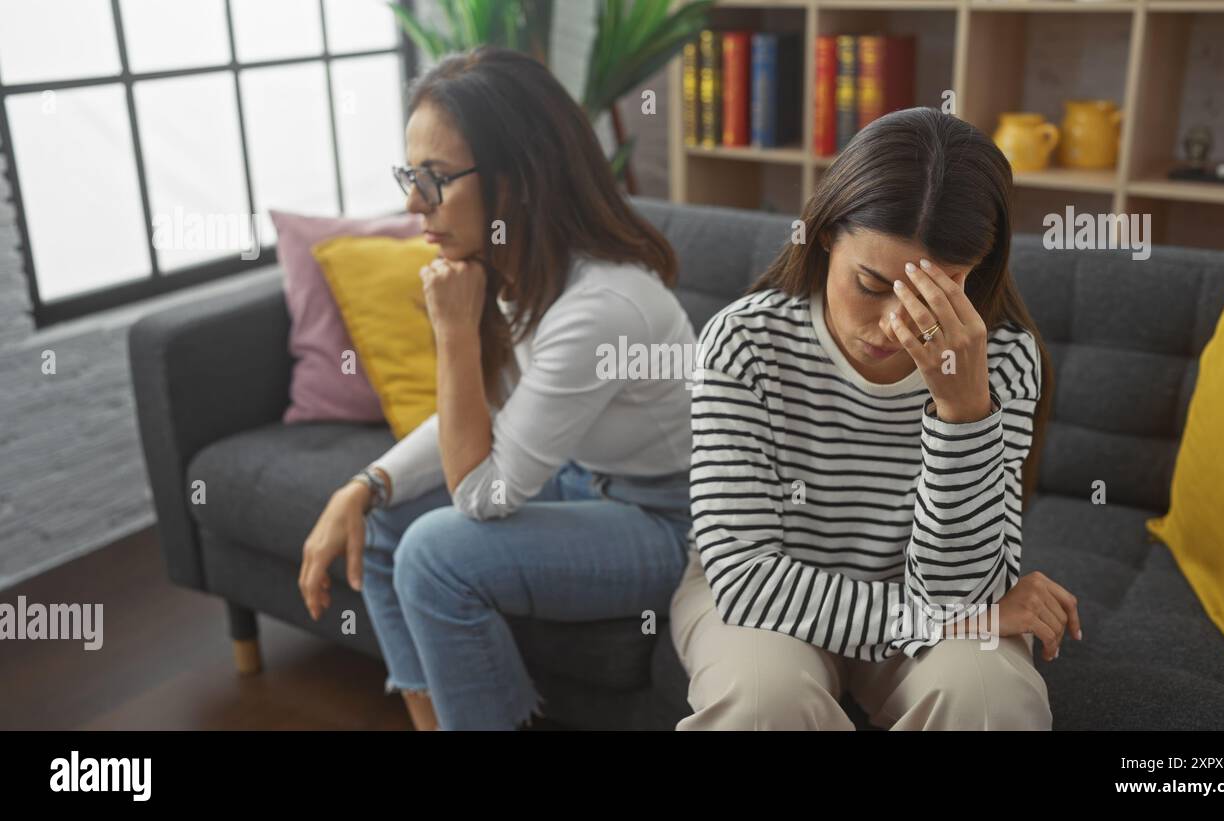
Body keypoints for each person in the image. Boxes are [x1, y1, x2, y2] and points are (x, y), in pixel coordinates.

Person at [296, 47, 695, 730]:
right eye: (410, 174)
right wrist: (364, 483)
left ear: (521, 180)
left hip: (671, 523)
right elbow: (497, 418)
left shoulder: (599, 305)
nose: (411, 202)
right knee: (387, 519)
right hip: (587, 478)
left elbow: (479, 494)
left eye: (436, 178)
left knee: (434, 551)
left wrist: (453, 336)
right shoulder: (517, 267)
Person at [672, 107, 1082, 730]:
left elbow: (962, 591)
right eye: (871, 283)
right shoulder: (743, 341)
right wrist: (944, 618)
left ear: (978, 272)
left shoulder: (1003, 361)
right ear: (828, 233)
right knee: (763, 703)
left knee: (992, 701)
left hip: (932, 597)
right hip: (765, 598)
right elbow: (747, 578)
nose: (896, 325)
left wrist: (961, 408)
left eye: (934, 293)